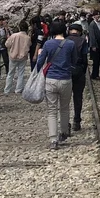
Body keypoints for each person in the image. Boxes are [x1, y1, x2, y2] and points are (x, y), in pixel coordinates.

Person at [36, 20, 77, 149]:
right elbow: (74, 60)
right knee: (65, 108)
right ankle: (64, 132)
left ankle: (53, 139)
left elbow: (40, 62)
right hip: (66, 79)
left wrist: (39, 71)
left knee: (51, 110)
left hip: (51, 80)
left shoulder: (48, 44)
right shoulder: (70, 44)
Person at [67, 22, 89, 131]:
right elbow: (85, 58)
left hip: (66, 71)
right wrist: (83, 71)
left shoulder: (64, 40)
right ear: (79, 32)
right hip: (78, 70)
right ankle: (77, 120)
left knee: (65, 98)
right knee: (78, 96)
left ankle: (65, 122)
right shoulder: (82, 41)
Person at [4, 20, 31, 95]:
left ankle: (7, 89)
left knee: (10, 73)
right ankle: (18, 89)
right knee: (21, 73)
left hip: (13, 56)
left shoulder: (14, 36)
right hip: (23, 57)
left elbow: (7, 44)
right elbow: (29, 46)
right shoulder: (27, 38)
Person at [87, 13, 100, 80]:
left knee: (98, 60)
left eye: (99, 16)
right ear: (94, 17)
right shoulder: (92, 24)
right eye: (97, 16)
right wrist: (93, 45)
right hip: (95, 44)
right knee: (95, 60)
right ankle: (94, 75)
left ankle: (96, 74)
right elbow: (92, 36)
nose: (98, 17)